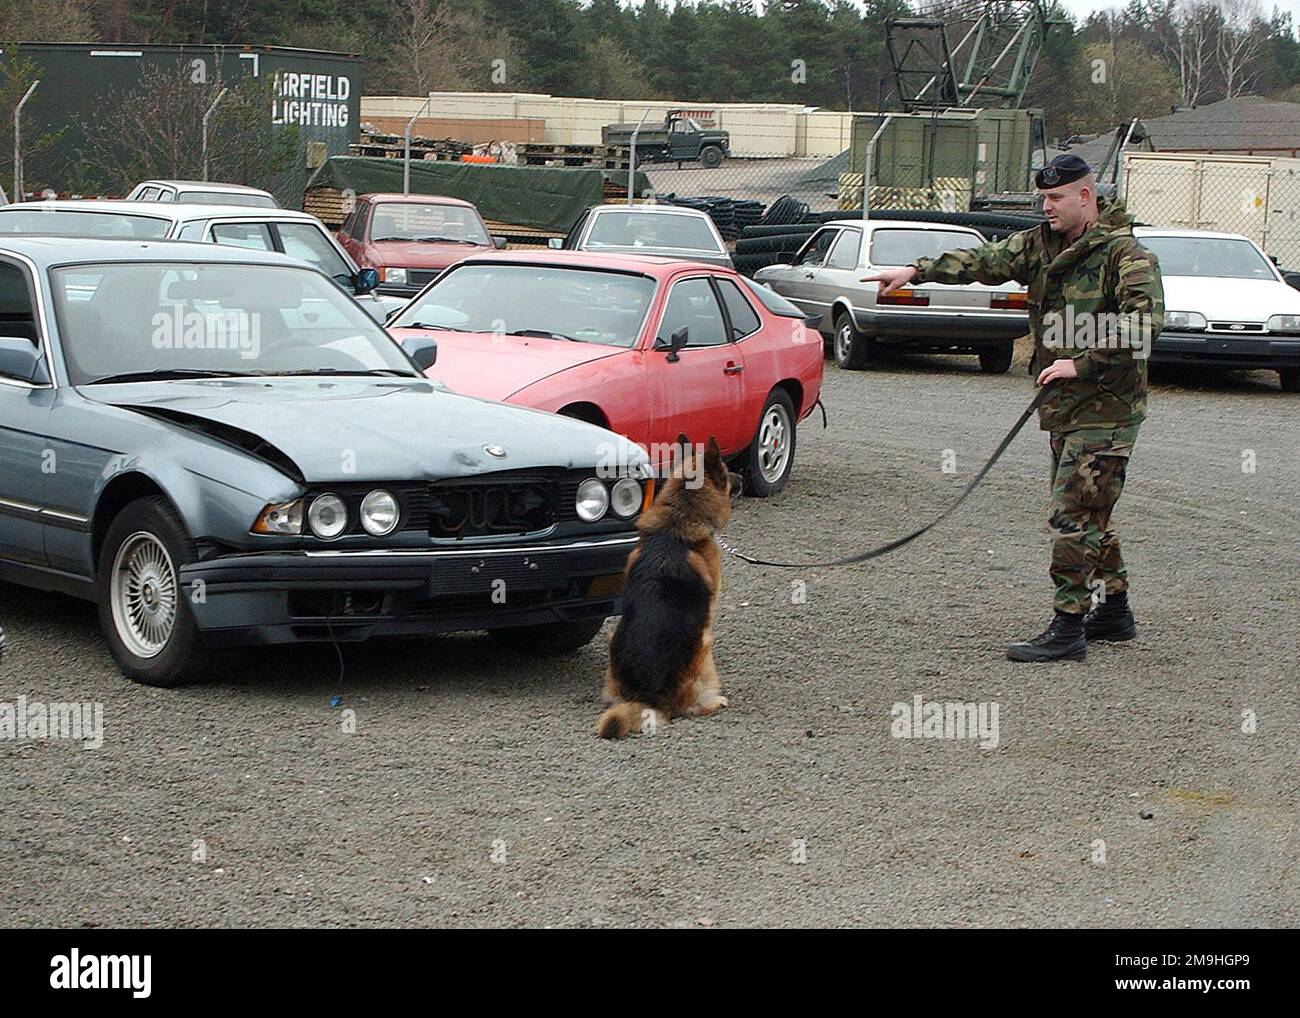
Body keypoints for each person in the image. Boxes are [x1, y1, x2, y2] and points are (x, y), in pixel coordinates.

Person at [862, 155, 1163, 662]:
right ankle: (1114, 610)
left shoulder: (1126, 255)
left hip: (1107, 409)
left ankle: (1069, 627)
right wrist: (914, 270)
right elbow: (984, 262)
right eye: (1042, 198)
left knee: (1072, 516)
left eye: (1055, 199)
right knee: (1093, 510)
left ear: (1085, 197)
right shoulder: (1041, 244)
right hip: (1064, 407)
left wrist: (1081, 363)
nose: (1045, 207)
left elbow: (1144, 326)